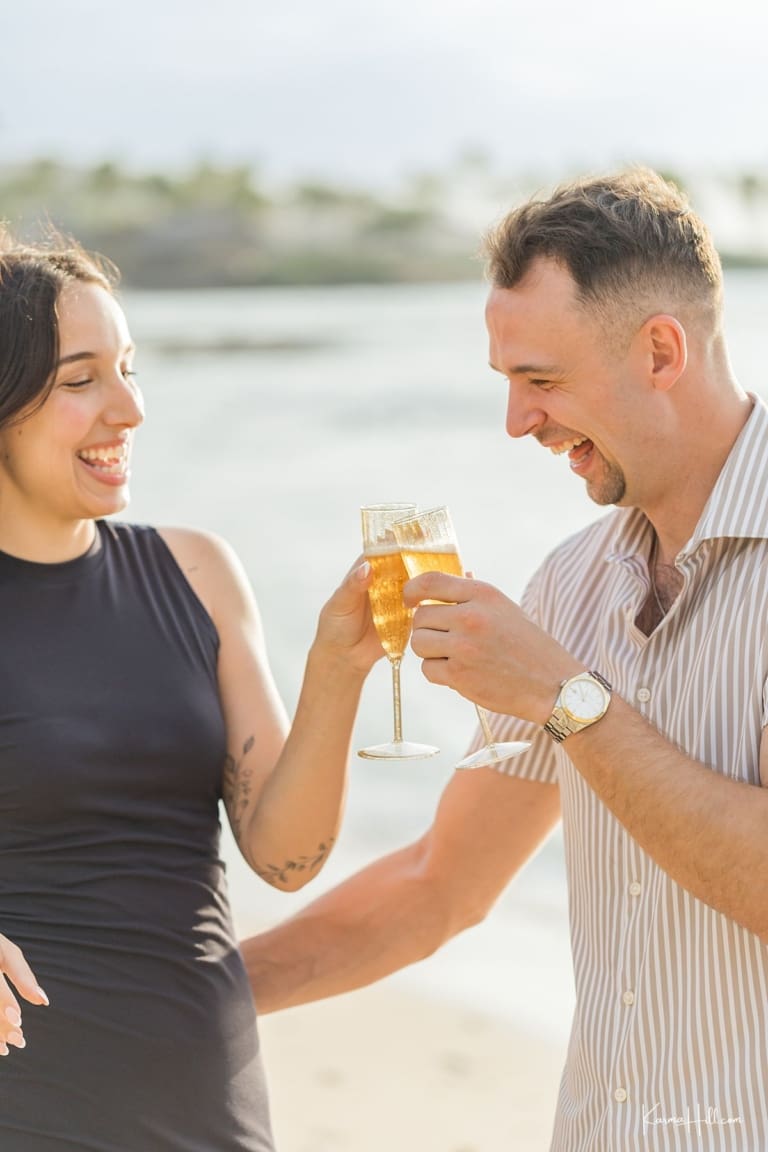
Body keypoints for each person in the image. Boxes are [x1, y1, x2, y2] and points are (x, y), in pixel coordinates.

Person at [241, 168, 768, 1151]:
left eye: (542, 380)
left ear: (661, 350)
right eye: (509, 383)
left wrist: (567, 699)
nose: (518, 423)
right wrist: (190, 998)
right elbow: (441, 884)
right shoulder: (569, 586)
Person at [0, 229, 383, 1150]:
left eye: (130, 369)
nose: (128, 409)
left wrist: (336, 671)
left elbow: (284, 858)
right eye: (81, 380)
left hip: (204, 1103)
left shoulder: (198, 572)